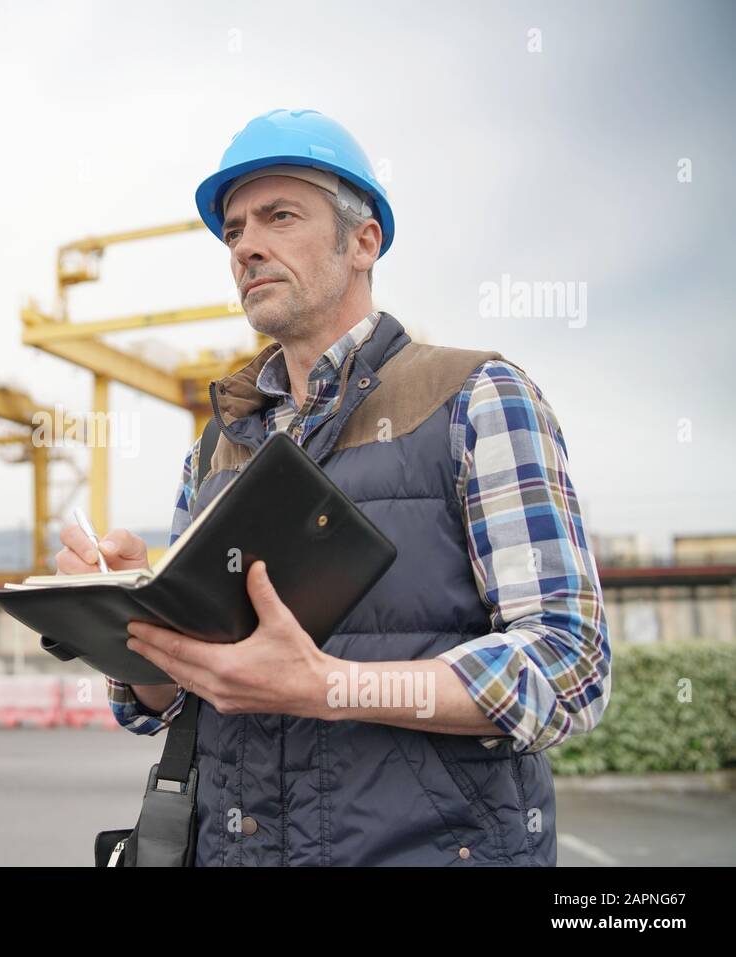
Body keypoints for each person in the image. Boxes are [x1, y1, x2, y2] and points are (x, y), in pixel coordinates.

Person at [55, 108, 611, 866]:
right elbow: (175, 699)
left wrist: (329, 686)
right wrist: (125, 620)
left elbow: (569, 666)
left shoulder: (477, 398)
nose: (246, 245)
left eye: (279, 216)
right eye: (234, 231)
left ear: (363, 241)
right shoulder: (216, 448)